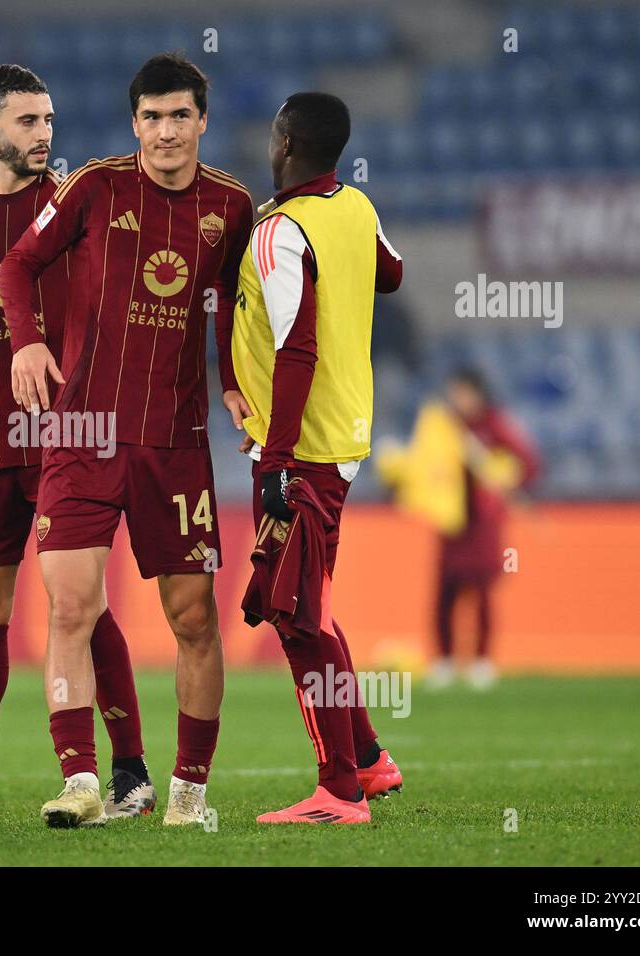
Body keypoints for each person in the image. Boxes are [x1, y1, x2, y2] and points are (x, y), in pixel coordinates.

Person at [0, 53, 253, 827]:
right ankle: (80, 780)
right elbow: (16, 265)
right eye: (152, 117)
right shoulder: (95, 187)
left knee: (194, 621)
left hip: (175, 443)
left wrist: (237, 385)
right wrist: (24, 342)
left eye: (180, 115)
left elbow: (234, 310)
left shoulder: (233, 207)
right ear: (133, 123)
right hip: (82, 432)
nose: (166, 131)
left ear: (202, 121)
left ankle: (187, 795)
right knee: (70, 607)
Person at [0, 65, 154, 821]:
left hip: (67, 442)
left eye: (48, 120)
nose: (44, 135)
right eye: (27, 122)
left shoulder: (81, 209)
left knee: (77, 603)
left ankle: (128, 773)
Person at [231, 92, 405, 825]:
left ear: (286, 142)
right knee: (309, 603)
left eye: (274, 135)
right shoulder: (354, 207)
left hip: (300, 448)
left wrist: (275, 460)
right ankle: (368, 759)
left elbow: (295, 346)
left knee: (297, 616)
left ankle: (338, 791)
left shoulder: (281, 232)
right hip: (344, 435)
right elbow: (391, 273)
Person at [377, 367, 540, 688]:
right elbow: (423, 463)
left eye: (463, 392)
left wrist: (503, 477)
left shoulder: (495, 426)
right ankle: (446, 660)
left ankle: (481, 661)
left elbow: (527, 463)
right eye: (454, 393)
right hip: (451, 521)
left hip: (483, 524)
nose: (458, 399)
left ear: (478, 393)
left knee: (481, 592)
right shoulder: (444, 426)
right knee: (445, 593)